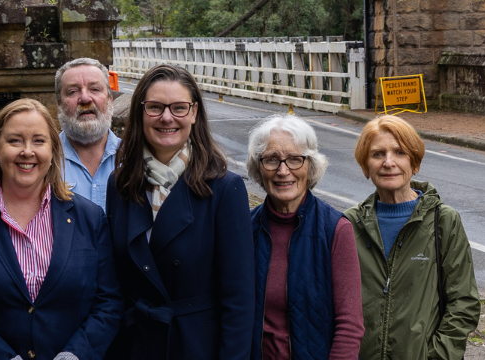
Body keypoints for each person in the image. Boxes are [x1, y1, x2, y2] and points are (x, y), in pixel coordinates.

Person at [0, 98, 123, 360]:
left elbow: (108, 303)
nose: (27, 151)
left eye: (39, 141)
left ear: (54, 150)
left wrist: (75, 355)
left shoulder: (90, 218)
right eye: (15, 141)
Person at [105, 64, 255, 359]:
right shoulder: (120, 184)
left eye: (178, 107)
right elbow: (116, 283)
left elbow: (239, 299)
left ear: (195, 113)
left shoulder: (225, 188)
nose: (166, 117)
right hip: (137, 345)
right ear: (140, 112)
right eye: (155, 107)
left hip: (197, 346)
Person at [343, 115, 479, 360]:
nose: (388, 162)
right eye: (377, 154)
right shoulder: (348, 224)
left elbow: (463, 303)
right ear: (365, 165)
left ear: (414, 163)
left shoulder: (443, 221)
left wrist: (435, 356)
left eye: (399, 153)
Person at [245, 116, 363, 360]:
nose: (283, 170)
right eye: (272, 159)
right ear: (259, 167)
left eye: (295, 159)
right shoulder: (244, 228)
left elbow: (349, 327)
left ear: (311, 165)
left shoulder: (336, 230)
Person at [57, 58, 121, 212]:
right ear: (59, 105)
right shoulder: (44, 162)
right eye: (73, 91)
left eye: (95, 89)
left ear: (110, 101)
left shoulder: (134, 158)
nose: (85, 99)